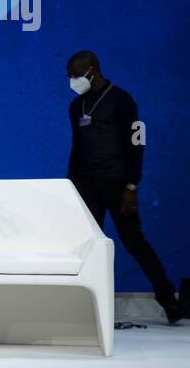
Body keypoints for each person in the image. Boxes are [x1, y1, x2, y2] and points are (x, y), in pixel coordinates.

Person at [66, 50, 182, 324]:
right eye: (69, 76)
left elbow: (136, 145)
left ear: (92, 71)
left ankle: (168, 300)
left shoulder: (122, 100)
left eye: (76, 75)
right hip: (86, 184)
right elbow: (76, 148)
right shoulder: (76, 106)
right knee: (87, 246)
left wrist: (132, 185)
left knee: (134, 241)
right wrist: (70, 185)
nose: (72, 80)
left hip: (118, 184)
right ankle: (84, 307)